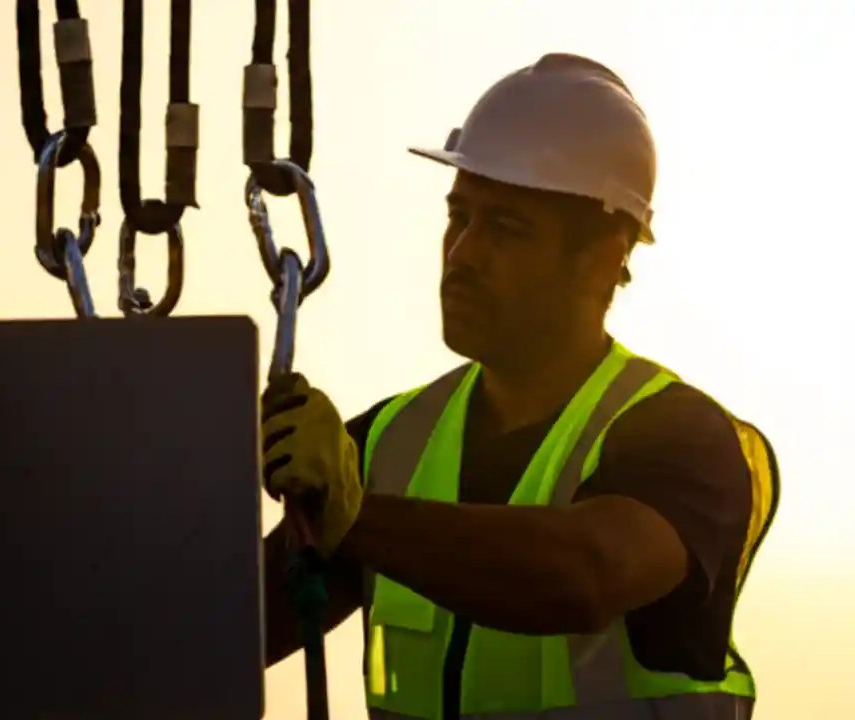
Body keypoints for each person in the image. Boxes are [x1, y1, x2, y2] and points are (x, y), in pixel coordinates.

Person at [259, 53, 779, 720]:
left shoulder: (684, 440)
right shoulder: (385, 442)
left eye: (504, 228)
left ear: (603, 258)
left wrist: (355, 517)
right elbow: (214, 637)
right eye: (459, 216)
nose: (461, 253)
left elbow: (582, 578)